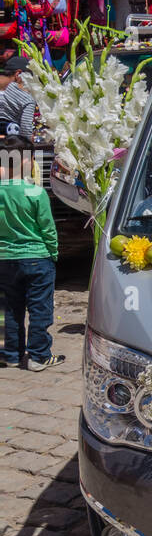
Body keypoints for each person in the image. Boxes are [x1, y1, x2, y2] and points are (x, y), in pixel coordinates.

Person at [0, 134, 64, 370]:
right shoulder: (35, 193)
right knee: (39, 309)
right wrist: (53, 253)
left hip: (4, 258)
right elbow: (48, 229)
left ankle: (11, 354)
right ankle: (38, 356)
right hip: (37, 258)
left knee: (8, 309)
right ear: (26, 162)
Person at [0, 55, 36, 139]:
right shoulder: (27, 99)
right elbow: (26, 131)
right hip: (10, 146)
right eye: (29, 78)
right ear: (18, 74)